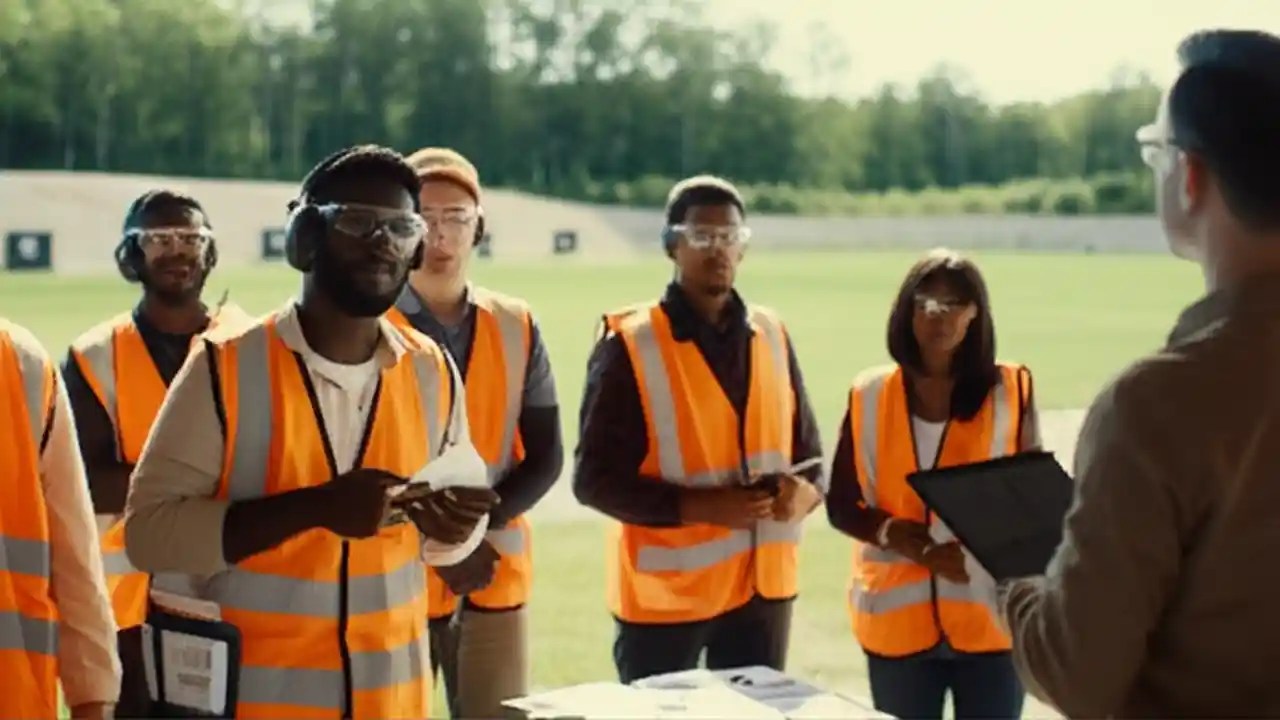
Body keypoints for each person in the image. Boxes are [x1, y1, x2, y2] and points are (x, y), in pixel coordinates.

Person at [123, 144, 499, 718]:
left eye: (400, 228)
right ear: (305, 237)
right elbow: (149, 534)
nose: (382, 242)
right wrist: (313, 509)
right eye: (356, 222)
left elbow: (446, 550)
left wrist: (458, 532)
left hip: (391, 703)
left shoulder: (433, 371)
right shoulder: (224, 368)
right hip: (262, 704)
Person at [991, 29, 1280, 718]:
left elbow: (1076, 675)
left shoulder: (1156, 404)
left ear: (1189, 173)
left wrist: (1015, 582)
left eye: (1156, 149)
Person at [574, 174, 825, 684]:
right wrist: (700, 507)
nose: (719, 250)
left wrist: (806, 494)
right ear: (672, 245)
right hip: (666, 601)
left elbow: (813, 459)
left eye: (730, 237)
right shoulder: (631, 343)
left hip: (763, 594)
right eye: (703, 237)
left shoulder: (772, 334)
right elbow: (592, 481)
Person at [386, 146, 564, 718]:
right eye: (425, 219)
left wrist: (471, 532)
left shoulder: (516, 322)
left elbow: (546, 456)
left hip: (493, 571)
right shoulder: (364, 325)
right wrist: (440, 544)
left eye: (456, 218)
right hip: (390, 577)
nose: (441, 236)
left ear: (478, 227)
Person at [826, 248, 1040, 720]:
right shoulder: (870, 393)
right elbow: (842, 504)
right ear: (905, 312)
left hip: (990, 624)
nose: (938, 315)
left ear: (976, 315)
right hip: (896, 626)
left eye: (954, 304)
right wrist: (898, 539)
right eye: (925, 302)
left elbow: (1034, 502)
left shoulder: (1012, 388)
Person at [63, 188, 249, 717]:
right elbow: (84, 480)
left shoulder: (252, 343)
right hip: (127, 604)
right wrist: (202, 484)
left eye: (191, 238)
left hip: (228, 587)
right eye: (160, 239)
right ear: (131, 256)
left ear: (210, 253)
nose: (178, 251)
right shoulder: (94, 357)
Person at [0, 318, 121, 719]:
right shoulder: (20, 363)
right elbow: (76, 559)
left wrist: (93, 693)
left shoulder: (23, 367)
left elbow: (75, 560)